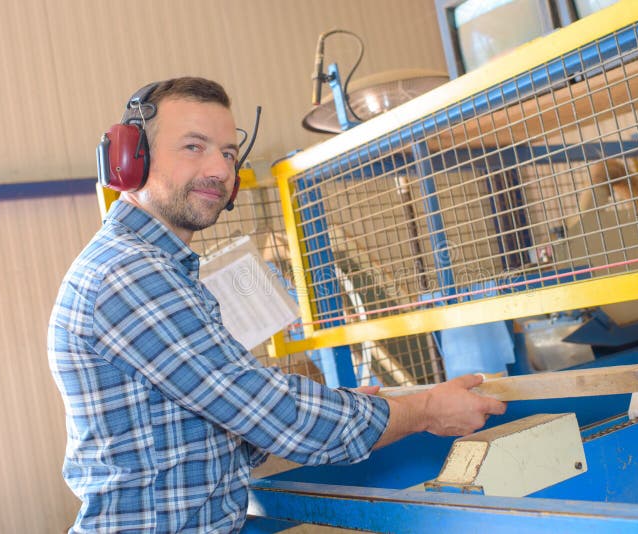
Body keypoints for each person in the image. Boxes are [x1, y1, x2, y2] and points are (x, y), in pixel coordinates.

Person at [48, 76, 506, 533]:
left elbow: (213, 427)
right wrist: (424, 410)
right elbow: (271, 412)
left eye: (228, 153)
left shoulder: (159, 268)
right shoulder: (130, 275)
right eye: (194, 147)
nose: (220, 170)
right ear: (131, 160)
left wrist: (340, 407)